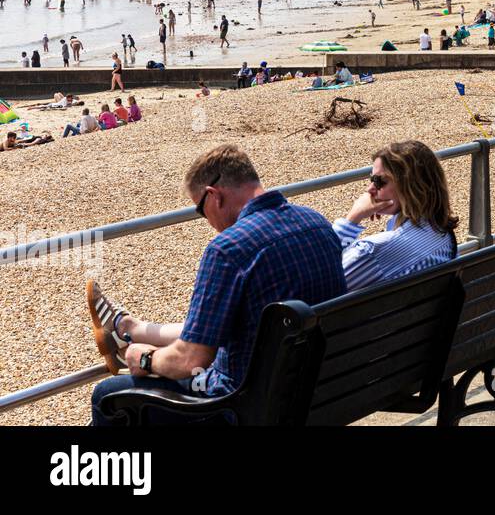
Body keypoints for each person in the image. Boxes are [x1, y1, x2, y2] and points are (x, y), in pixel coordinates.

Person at [86, 145, 346, 424]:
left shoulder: (228, 249)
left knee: (107, 396)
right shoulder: (317, 223)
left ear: (214, 196)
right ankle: (129, 328)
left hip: (242, 407)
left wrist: (145, 360)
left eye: (201, 210)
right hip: (319, 390)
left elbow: (191, 360)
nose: (207, 221)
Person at [332, 140, 459, 291]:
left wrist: (352, 219)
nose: (370, 189)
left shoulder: (372, 251)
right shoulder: (443, 234)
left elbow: (320, 281)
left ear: (411, 187)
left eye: (380, 181)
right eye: (372, 179)